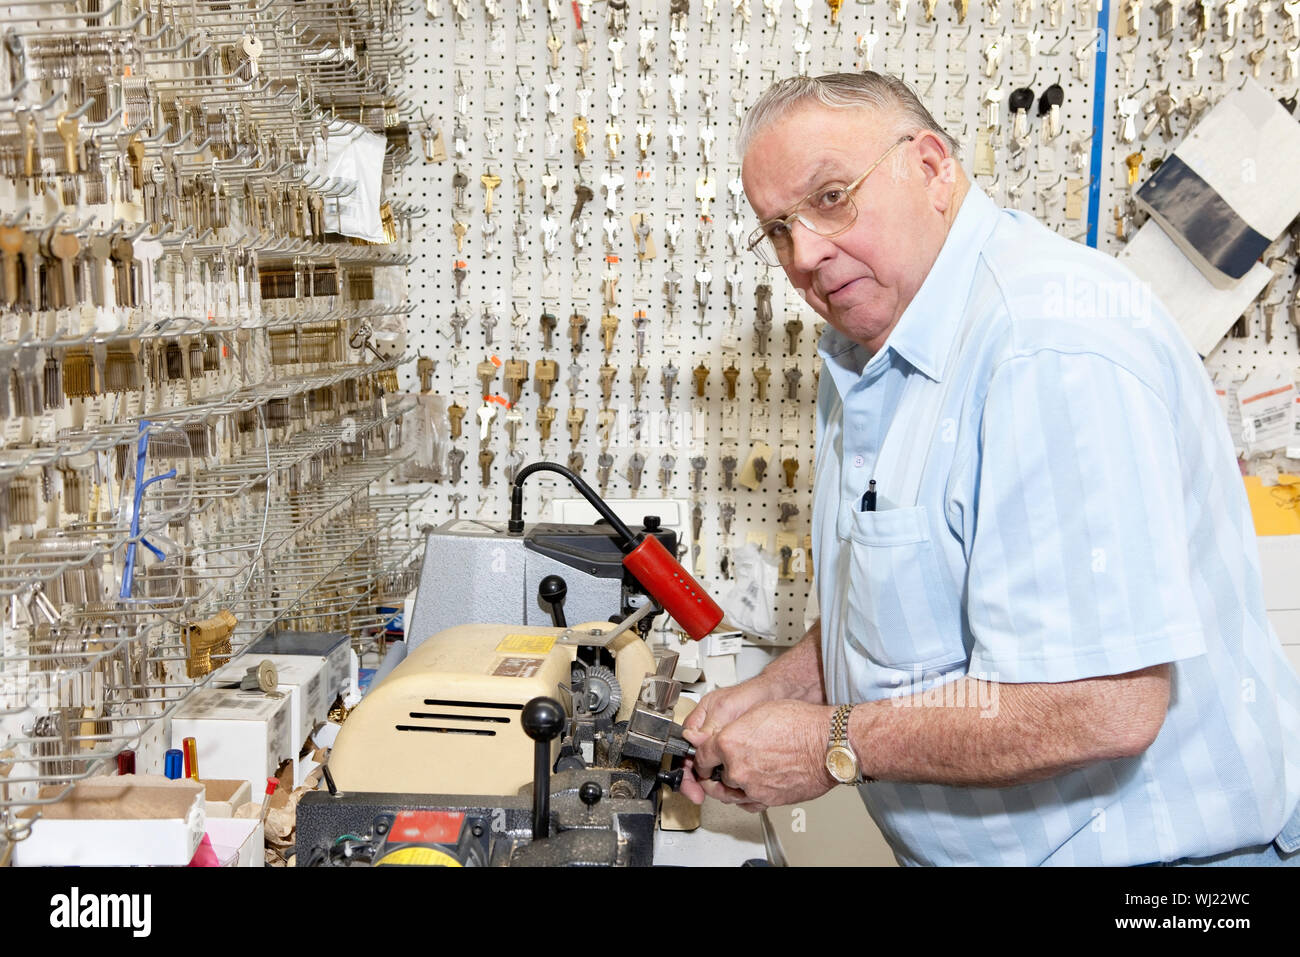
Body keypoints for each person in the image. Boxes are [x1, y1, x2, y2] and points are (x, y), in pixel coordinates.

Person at [680, 72, 1300, 867]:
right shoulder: (877, 352)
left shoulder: (1046, 348)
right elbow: (911, 594)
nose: (804, 254)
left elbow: (1104, 705)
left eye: (831, 197)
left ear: (932, 167)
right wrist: (785, 687)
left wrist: (831, 743)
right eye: (777, 228)